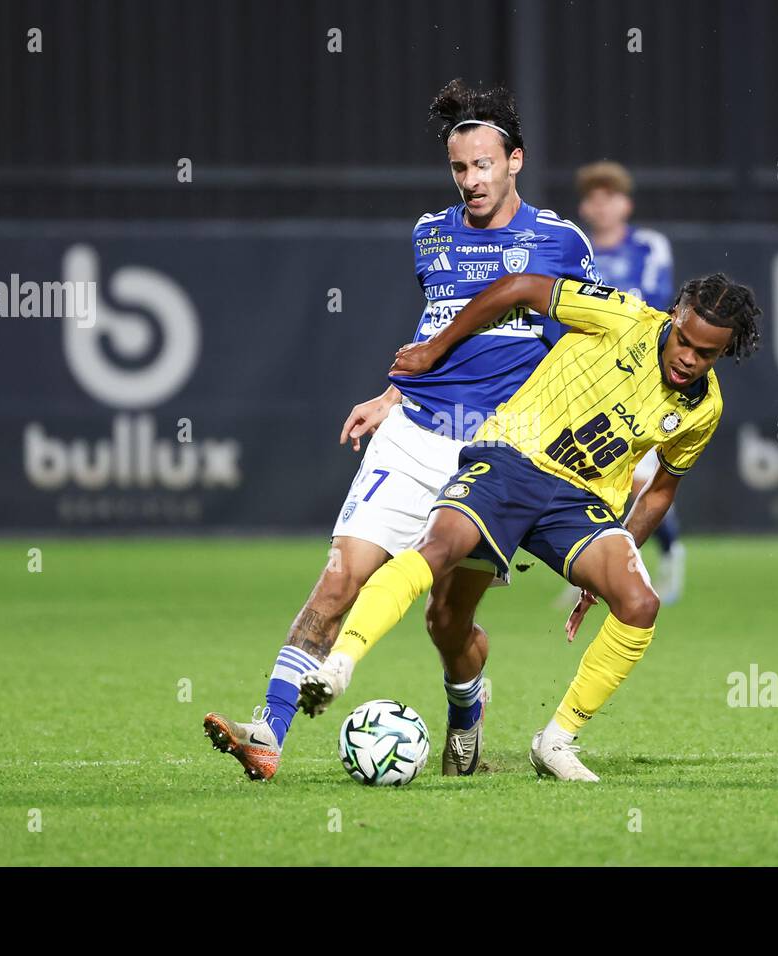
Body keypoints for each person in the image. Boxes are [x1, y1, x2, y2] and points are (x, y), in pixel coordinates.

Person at [203, 79, 600, 781]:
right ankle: (268, 731)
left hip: (495, 456)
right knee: (338, 580)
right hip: (414, 435)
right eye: (459, 167)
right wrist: (393, 394)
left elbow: (589, 350)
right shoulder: (430, 234)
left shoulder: (559, 242)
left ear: (516, 161)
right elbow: (438, 333)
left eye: (484, 164)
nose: (471, 180)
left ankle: (466, 704)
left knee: (446, 623)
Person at [298, 271, 761, 781]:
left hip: (580, 500)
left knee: (639, 602)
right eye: (685, 341)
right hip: (512, 460)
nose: (689, 358)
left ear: (726, 352)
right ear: (673, 318)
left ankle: (556, 740)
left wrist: (614, 559)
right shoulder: (620, 316)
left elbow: (660, 492)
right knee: (440, 571)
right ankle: (339, 665)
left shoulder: (706, 407)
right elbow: (519, 287)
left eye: (707, 354)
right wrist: (434, 348)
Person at [574, 160, 686, 603]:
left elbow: (660, 307)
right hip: (586, 380)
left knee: (641, 481)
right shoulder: (578, 250)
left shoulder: (649, 247)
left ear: (625, 203)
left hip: (639, 381)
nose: (601, 206)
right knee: (588, 477)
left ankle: (672, 552)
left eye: (610, 197)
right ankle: (591, 569)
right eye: (594, 198)